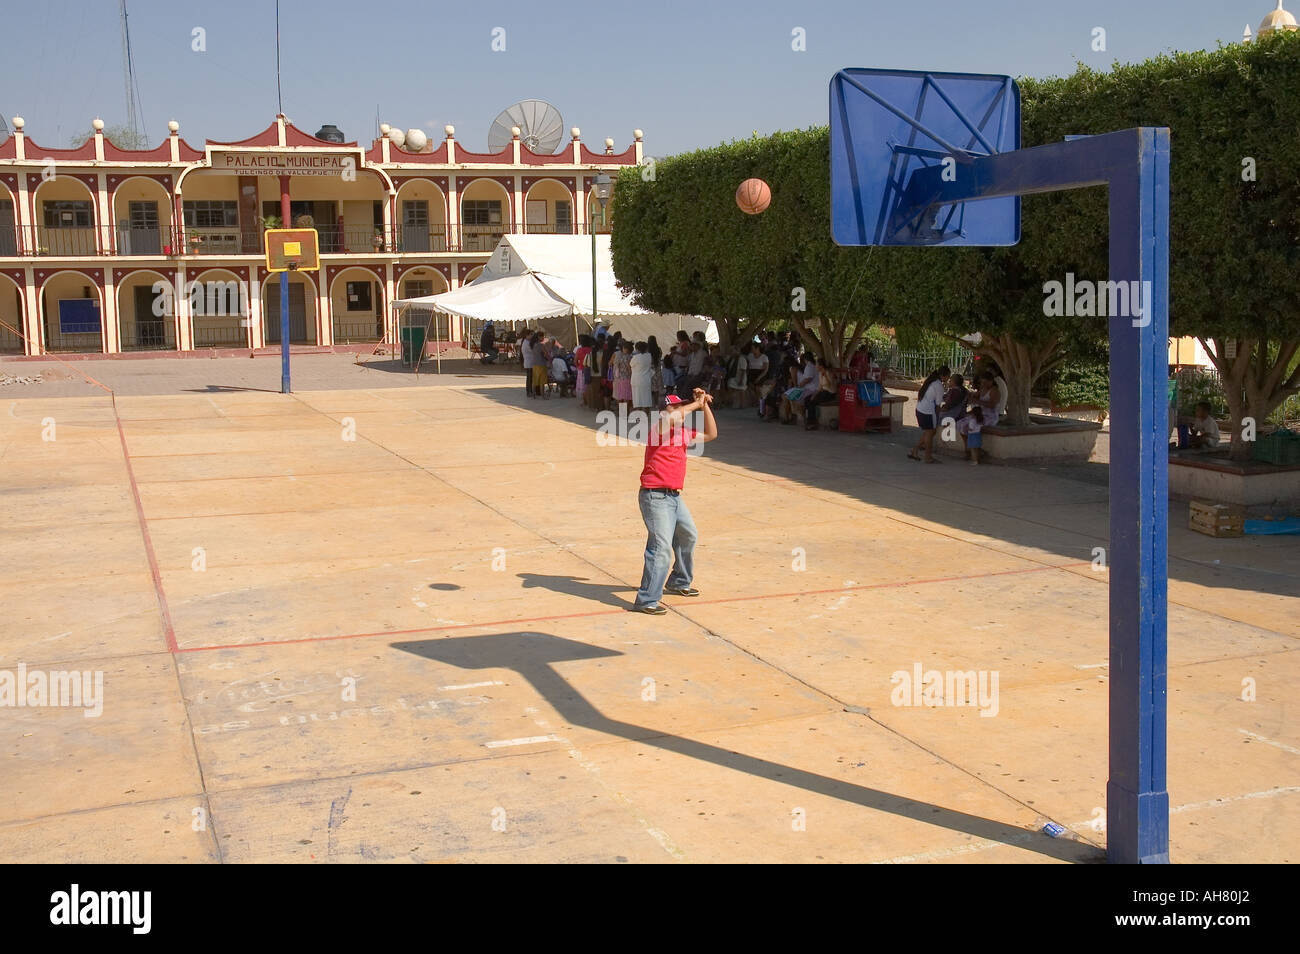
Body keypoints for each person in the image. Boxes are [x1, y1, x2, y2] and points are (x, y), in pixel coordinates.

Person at [633, 389, 718, 615]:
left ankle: (679, 580)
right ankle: (647, 599)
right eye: (675, 406)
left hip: (674, 496)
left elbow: (711, 434)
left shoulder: (683, 433)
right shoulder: (658, 429)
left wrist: (704, 404)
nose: (680, 410)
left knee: (688, 534)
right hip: (654, 496)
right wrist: (694, 405)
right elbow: (672, 417)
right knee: (660, 548)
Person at [957, 370, 1000, 465]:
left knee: (973, 424)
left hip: (990, 416)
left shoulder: (994, 391)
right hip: (980, 414)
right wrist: (970, 396)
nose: (983, 384)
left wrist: (977, 402)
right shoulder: (982, 389)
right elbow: (973, 396)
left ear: (991, 381)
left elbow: (992, 405)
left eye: (985, 382)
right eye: (982, 382)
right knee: (960, 423)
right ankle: (968, 449)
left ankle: (975, 457)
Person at [909, 365, 950, 462]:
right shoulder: (939, 385)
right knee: (930, 432)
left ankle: (915, 450)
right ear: (945, 376)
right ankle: (928, 456)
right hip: (928, 411)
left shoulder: (931, 381)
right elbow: (938, 405)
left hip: (920, 409)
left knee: (930, 432)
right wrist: (937, 418)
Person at [780, 352, 818, 424]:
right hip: (806, 388)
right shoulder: (809, 366)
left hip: (806, 388)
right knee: (787, 397)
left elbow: (798, 382)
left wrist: (798, 386)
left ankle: (789, 418)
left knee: (787, 397)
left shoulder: (796, 368)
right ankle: (791, 417)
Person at [804, 358, 840, 430]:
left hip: (830, 393)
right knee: (807, 399)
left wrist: (825, 375)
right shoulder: (820, 373)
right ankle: (812, 419)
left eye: (817, 365)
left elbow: (830, 385)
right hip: (823, 392)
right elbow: (820, 387)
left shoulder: (828, 372)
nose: (816, 366)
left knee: (812, 402)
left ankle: (811, 423)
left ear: (821, 366)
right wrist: (814, 394)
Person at [630, 341, 653, 411]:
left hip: (636, 380)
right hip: (646, 380)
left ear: (637, 349)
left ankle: (639, 417)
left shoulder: (635, 357)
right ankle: (645, 415)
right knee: (647, 399)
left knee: (637, 400)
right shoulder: (649, 356)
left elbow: (631, 365)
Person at [612, 340, 634, 411]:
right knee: (626, 396)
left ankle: (621, 412)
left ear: (625, 348)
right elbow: (629, 369)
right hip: (627, 379)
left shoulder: (620, 356)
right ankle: (626, 411)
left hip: (619, 379)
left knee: (620, 396)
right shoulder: (630, 357)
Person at [574, 334, 593, 405]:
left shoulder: (579, 350)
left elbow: (575, 361)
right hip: (590, 369)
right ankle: (589, 401)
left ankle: (585, 402)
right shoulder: (591, 350)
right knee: (588, 385)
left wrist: (578, 366)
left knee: (583, 386)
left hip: (581, 369)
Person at [520, 330, 538, 398]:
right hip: (529, 362)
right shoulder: (526, 343)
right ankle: (529, 391)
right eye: (531, 335)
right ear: (527, 335)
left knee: (531, 378)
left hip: (531, 362)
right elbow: (532, 351)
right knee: (529, 378)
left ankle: (531, 391)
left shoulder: (528, 342)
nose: (532, 336)